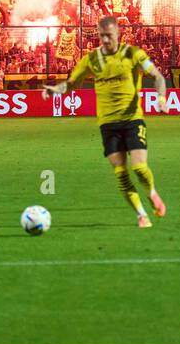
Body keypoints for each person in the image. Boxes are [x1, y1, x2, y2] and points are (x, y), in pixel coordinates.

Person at [44, 16, 168, 229]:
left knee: (139, 168)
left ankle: (151, 192)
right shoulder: (91, 60)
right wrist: (57, 89)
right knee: (120, 172)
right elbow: (72, 84)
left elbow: (158, 77)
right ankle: (140, 214)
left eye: (109, 35)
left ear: (118, 33)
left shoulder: (133, 54)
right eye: (101, 35)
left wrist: (161, 99)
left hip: (132, 119)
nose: (105, 39)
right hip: (108, 124)